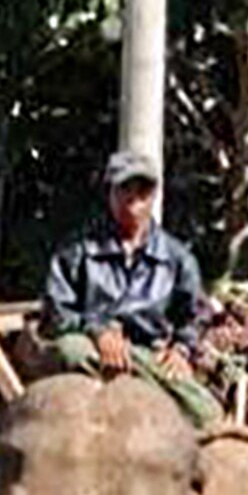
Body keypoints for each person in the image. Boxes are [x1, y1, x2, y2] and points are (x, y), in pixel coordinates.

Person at [41, 150, 221, 427]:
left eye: (143, 190)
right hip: (91, 350)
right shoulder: (77, 250)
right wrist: (97, 330)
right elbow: (56, 310)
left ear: (154, 195)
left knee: (205, 413)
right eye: (125, 189)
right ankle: (150, 388)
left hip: (151, 355)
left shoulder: (176, 257)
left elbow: (195, 314)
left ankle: (146, 383)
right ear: (110, 193)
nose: (134, 200)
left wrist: (181, 350)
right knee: (71, 350)